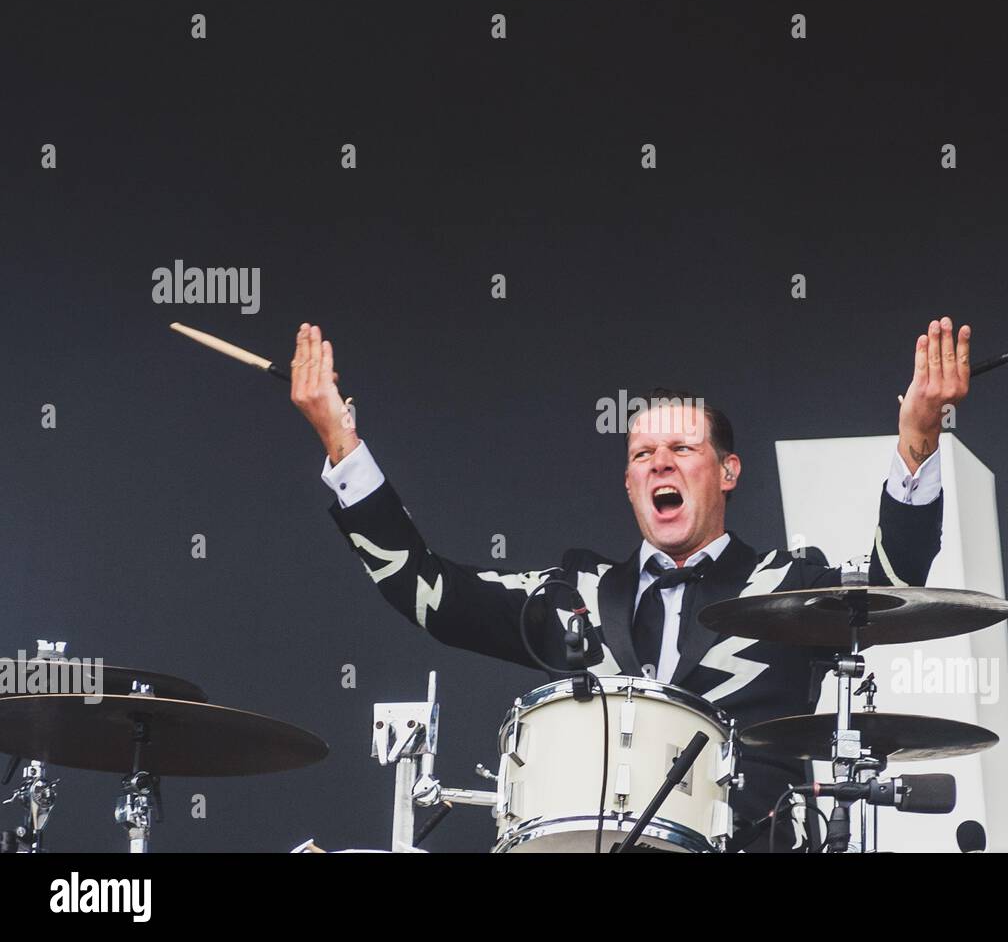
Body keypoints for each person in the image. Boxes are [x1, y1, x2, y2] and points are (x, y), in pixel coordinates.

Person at [290, 318, 972, 850]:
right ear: (627, 482)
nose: (659, 464)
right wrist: (341, 447)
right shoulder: (576, 592)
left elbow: (891, 583)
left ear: (728, 472)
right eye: (642, 453)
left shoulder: (785, 586)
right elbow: (430, 592)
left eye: (682, 449)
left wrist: (918, 440)